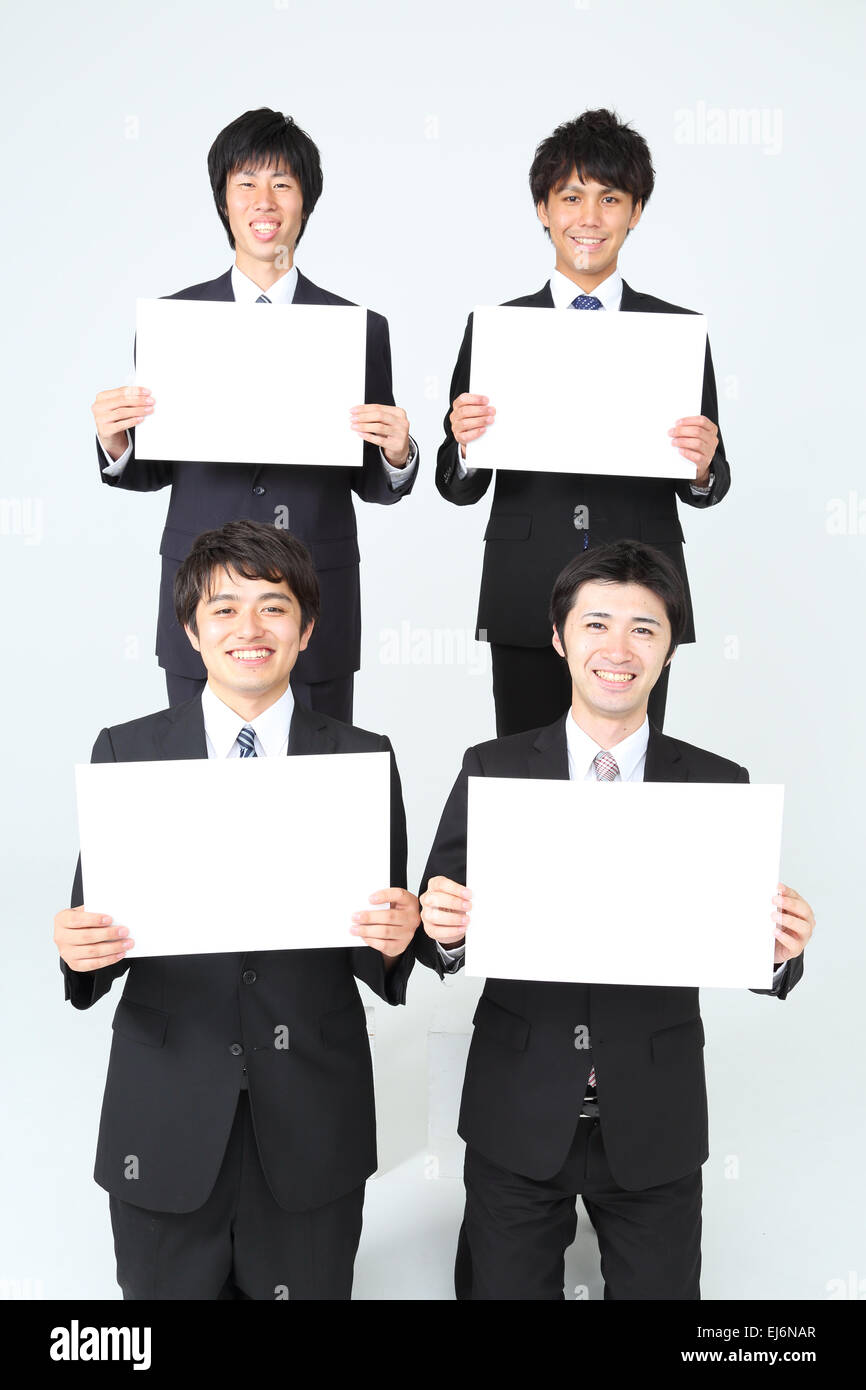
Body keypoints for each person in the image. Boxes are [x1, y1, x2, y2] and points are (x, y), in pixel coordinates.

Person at [416, 540, 814, 1301]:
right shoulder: (492, 768)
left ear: (668, 650)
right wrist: (447, 926)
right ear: (561, 640)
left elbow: (749, 948)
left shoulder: (716, 784)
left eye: (645, 628)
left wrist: (777, 953)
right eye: (597, 624)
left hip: (654, 1119)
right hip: (517, 1110)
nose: (618, 649)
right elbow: (440, 943)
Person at [53, 520, 419, 1300]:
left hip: (313, 1121)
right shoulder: (128, 752)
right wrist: (78, 946)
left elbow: (378, 947)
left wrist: (396, 939)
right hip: (165, 1115)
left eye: (273, 607)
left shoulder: (363, 757)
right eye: (224, 609)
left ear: (307, 628)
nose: (249, 630)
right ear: (190, 630)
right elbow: (93, 936)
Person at [91, 107, 418, 718]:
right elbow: (154, 468)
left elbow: (373, 482)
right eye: (246, 184)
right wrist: (116, 443)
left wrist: (398, 453)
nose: (263, 202)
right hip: (204, 598)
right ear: (224, 200)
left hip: (313, 593)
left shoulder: (359, 329)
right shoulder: (172, 323)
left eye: (282, 185)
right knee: (198, 782)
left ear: (305, 204)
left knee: (318, 778)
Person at [436, 108, 729, 736]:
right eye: (571, 197)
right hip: (527, 586)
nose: (589, 218)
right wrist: (463, 445)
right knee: (524, 770)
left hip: (644, 590)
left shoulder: (675, 332)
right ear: (544, 209)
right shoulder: (497, 328)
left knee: (629, 775)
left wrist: (703, 465)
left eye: (610, 198)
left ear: (636, 210)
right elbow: (456, 485)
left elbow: (708, 482)